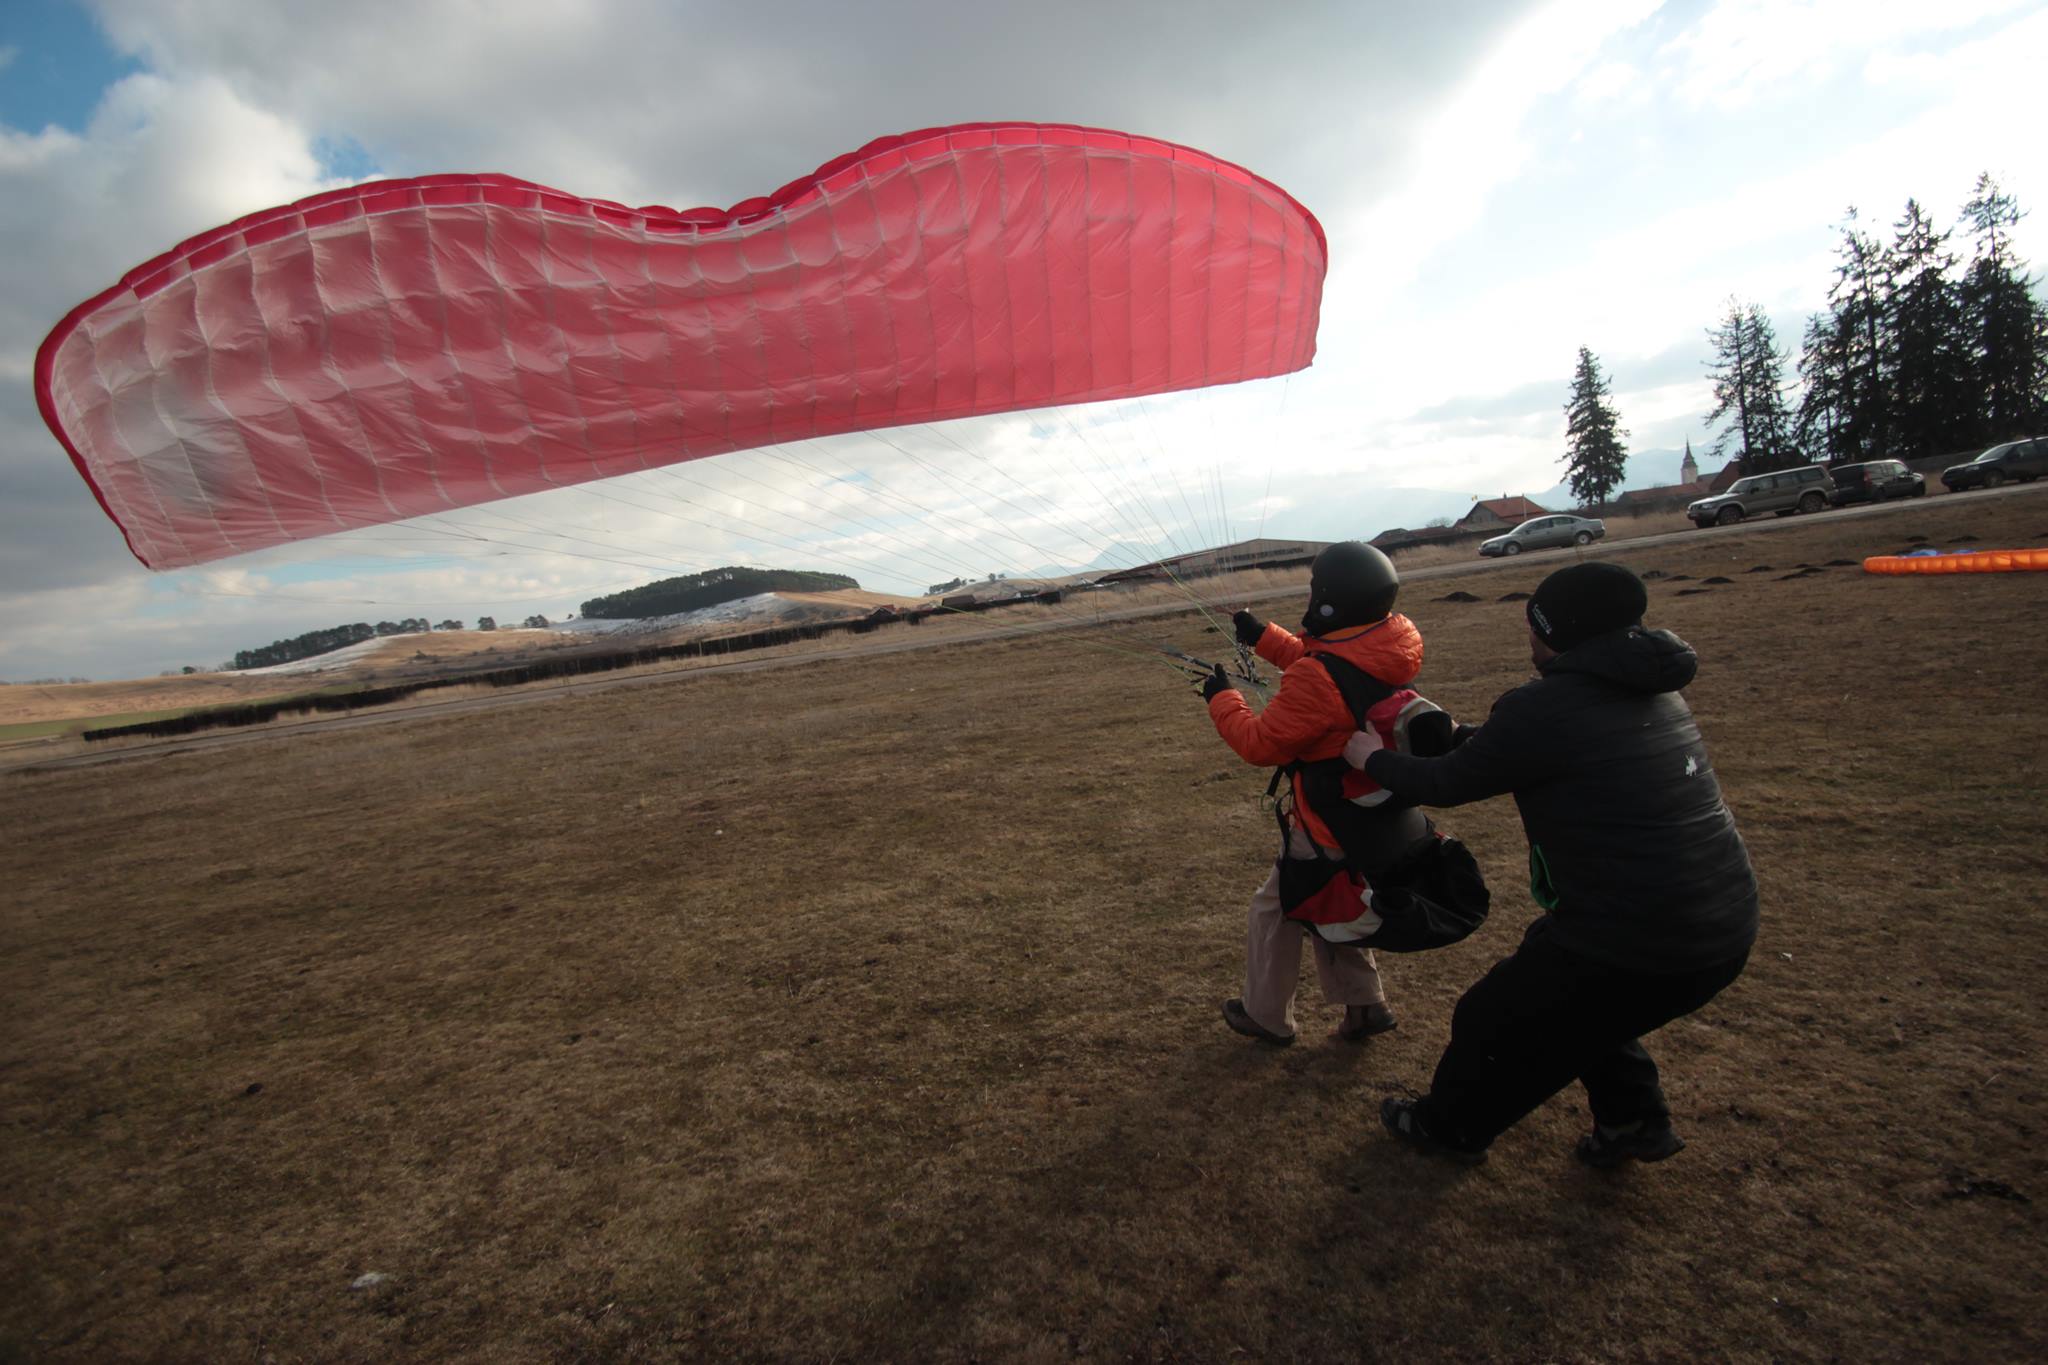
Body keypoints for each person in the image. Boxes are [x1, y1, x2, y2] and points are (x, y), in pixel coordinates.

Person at [1346, 561, 1757, 1167]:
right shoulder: (1651, 687)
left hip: (1640, 935)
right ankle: (1632, 1122)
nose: (1529, 640)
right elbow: (1531, 747)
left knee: (1494, 1014)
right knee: (1583, 1009)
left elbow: (1450, 783)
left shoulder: (1546, 705)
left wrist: (1368, 758)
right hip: (1719, 922)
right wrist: (1465, 733)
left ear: (1557, 632)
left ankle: (1448, 1127)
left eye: (1533, 627)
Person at [1201, 541, 1419, 1045]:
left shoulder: (1319, 679)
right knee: (1330, 897)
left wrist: (1222, 699)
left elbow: (1258, 743)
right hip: (1368, 803)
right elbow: (1328, 664)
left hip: (1328, 814)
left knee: (1276, 907)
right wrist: (1263, 638)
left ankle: (1265, 1015)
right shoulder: (1384, 645)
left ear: (1329, 601)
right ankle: (1365, 1006)